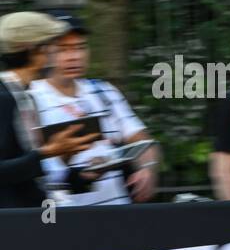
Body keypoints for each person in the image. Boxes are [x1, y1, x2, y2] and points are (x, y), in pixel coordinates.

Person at [30, 14, 160, 205]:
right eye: (63, 49)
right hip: (61, 216)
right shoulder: (31, 97)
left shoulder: (104, 91)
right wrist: (81, 173)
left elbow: (143, 140)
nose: (74, 56)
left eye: (80, 47)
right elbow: (32, 167)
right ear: (44, 52)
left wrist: (148, 168)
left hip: (117, 211)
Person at [0, 12, 98, 209]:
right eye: (53, 45)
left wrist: (75, 174)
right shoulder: (3, 97)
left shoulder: (24, 95)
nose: (55, 53)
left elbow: (24, 171)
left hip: (31, 218)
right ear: (33, 49)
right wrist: (48, 152)